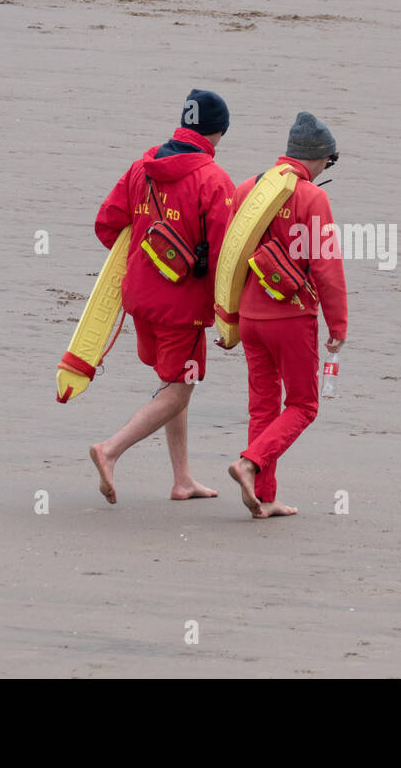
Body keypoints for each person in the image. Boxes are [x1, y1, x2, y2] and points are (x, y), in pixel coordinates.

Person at [88, 89, 235, 504]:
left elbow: (107, 225)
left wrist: (144, 257)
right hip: (182, 308)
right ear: (218, 132)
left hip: (138, 299)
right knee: (180, 389)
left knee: (172, 381)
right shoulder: (214, 180)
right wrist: (230, 317)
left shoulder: (143, 166)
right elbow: (225, 256)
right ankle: (110, 449)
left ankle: (182, 478)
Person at [226, 112, 348, 518]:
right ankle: (249, 463)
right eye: (328, 162)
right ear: (317, 159)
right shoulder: (312, 197)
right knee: (303, 405)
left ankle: (263, 497)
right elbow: (327, 267)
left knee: (263, 408)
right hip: (290, 318)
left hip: (250, 318)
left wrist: (227, 315)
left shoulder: (248, 188)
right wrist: (339, 324)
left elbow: (229, 255)